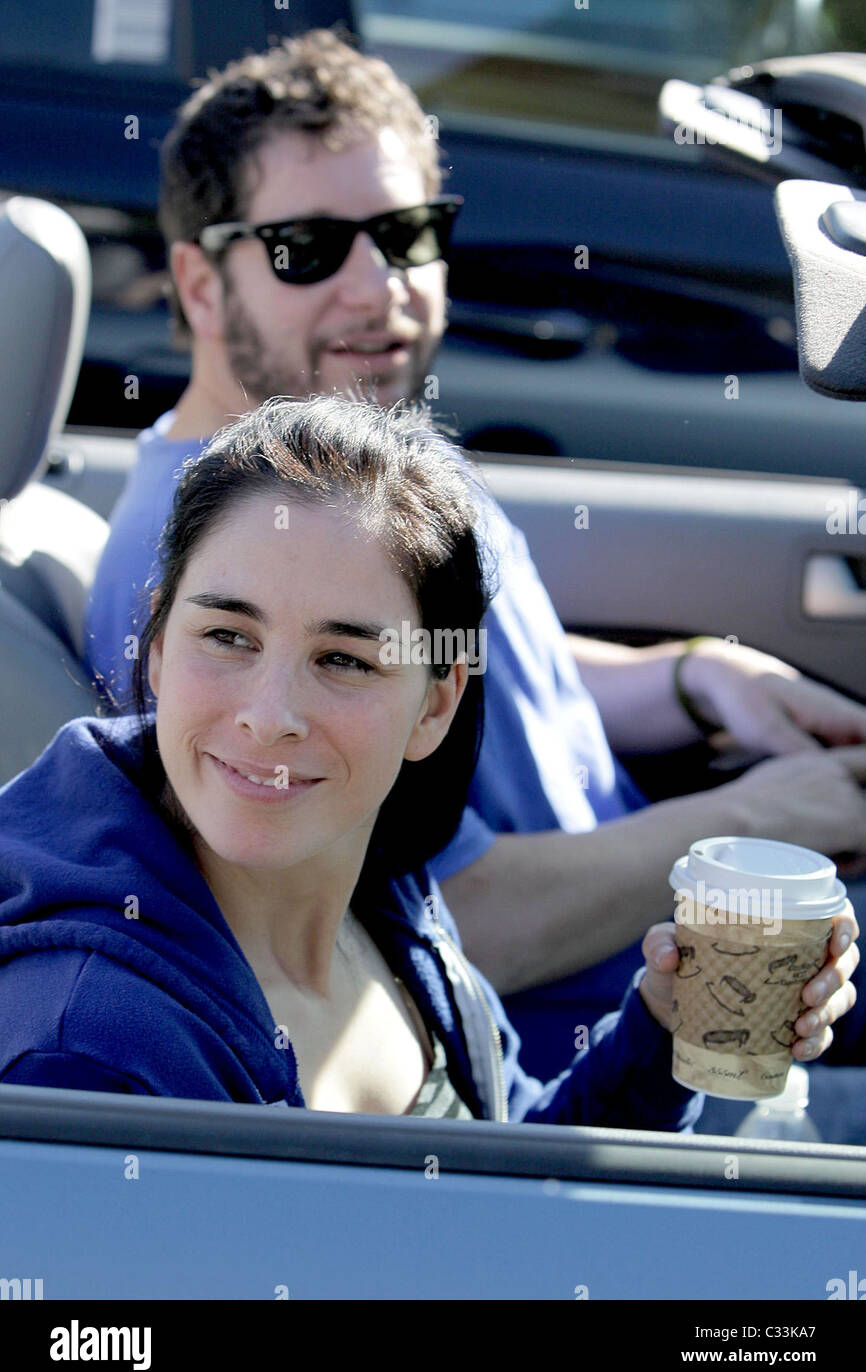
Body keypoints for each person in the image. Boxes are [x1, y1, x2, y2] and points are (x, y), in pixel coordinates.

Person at [84, 29, 866, 1092]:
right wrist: (756, 816)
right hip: (593, 1036)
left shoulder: (357, 463)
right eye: (306, 247)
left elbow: (451, 662)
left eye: (404, 234)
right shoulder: (212, 548)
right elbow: (458, 926)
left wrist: (686, 677)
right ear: (199, 282)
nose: (379, 288)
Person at [15, 396, 855, 1120]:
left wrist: (664, 1029)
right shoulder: (94, 1052)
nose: (271, 718)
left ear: (436, 704)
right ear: (157, 646)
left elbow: (505, 1169)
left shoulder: (377, 875)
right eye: (228, 637)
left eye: (344, 659)